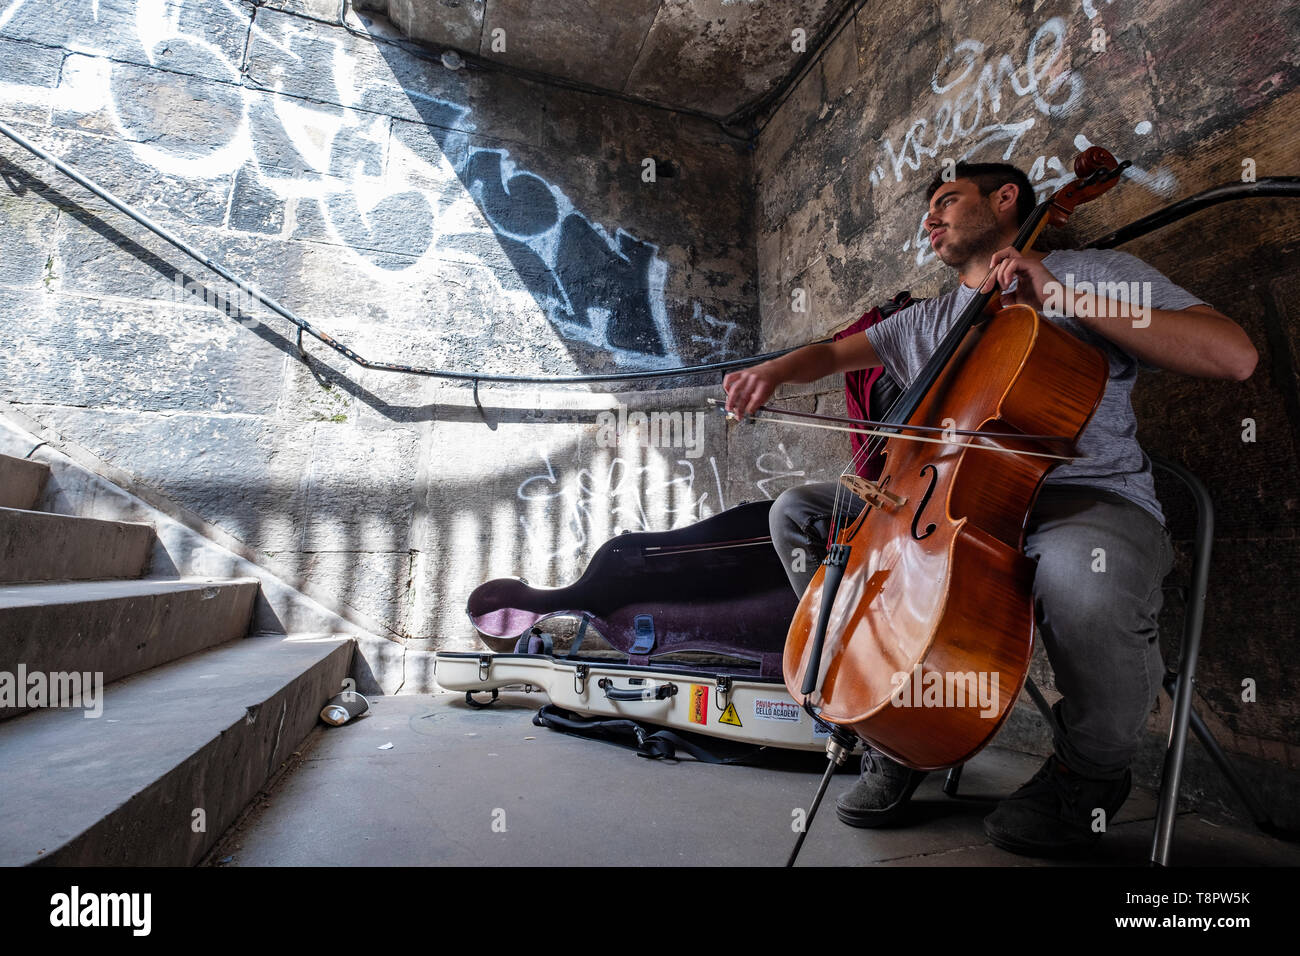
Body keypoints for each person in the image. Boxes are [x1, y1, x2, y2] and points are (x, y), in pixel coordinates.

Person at [722, 161, 1258, 857]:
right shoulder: (929, 320)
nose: (930, 218)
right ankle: (899, 732)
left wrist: (1062, 294)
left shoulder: (1090, 271)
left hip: (1082, 496)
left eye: (947, 200)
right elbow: (830, 354)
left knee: (1080, 578)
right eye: (928, 209)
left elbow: (1234, 354)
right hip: (941, 497)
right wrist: (774, 370)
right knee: (797, 513)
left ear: (1006, 200)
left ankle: (1089, 772)